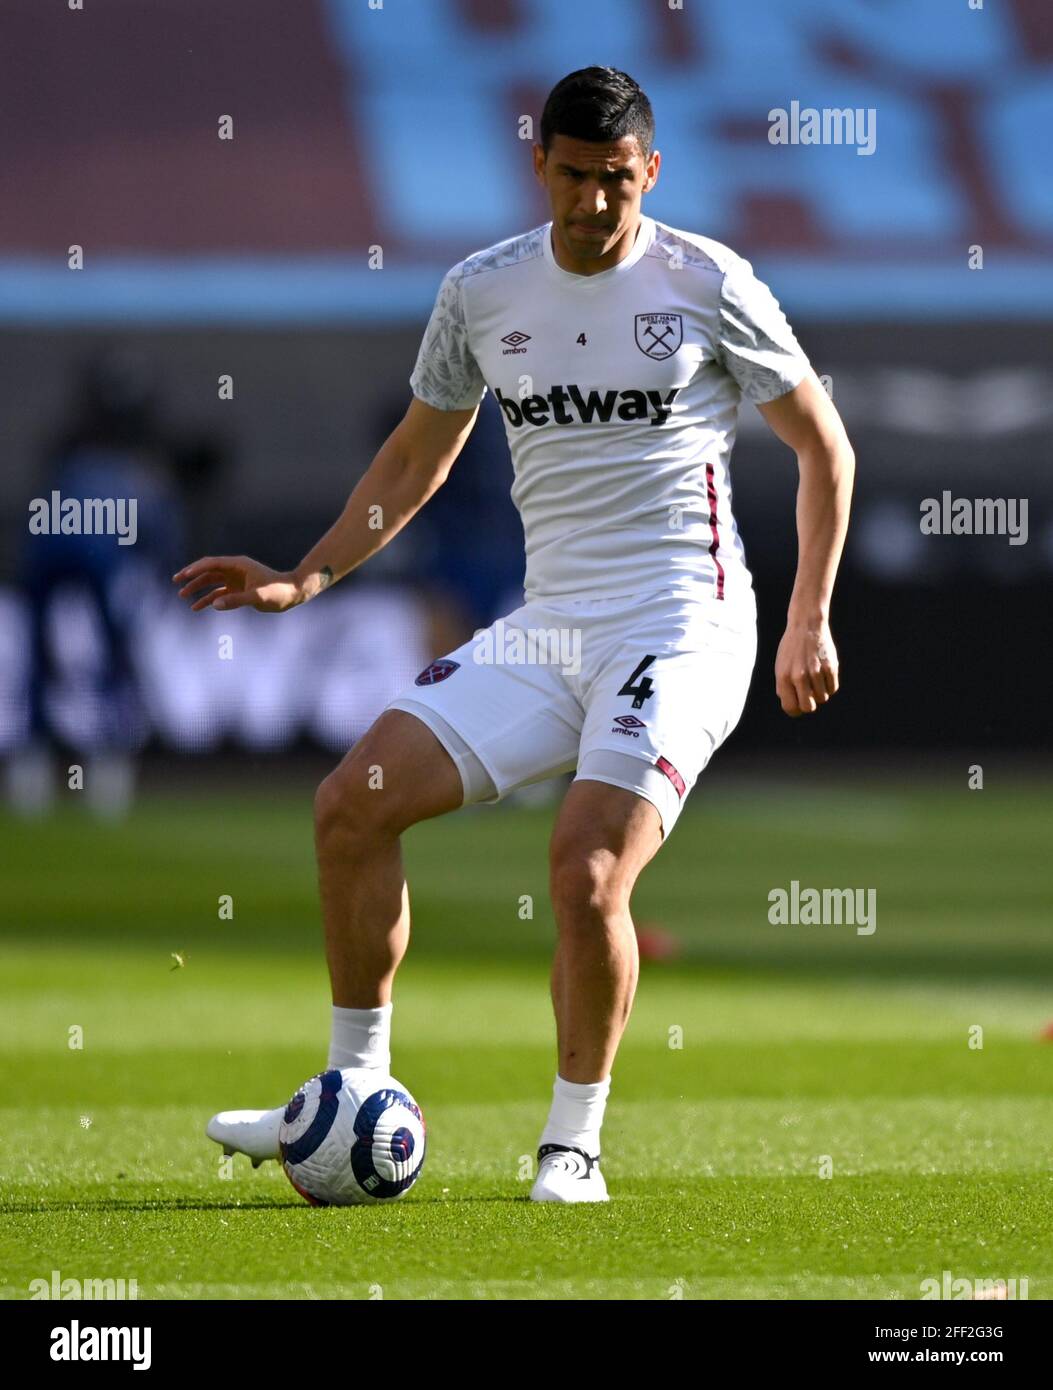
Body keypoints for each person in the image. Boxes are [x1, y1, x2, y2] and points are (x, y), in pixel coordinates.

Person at [174, 67, 854, 1202]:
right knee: (353, 801)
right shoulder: (483, 292)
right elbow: (414, 458)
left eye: (618, 182)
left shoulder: (708, 281)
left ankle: (572, 1146)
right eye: (575, 177)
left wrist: (807, 616)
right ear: (539, 163)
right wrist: (305, 577)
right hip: (551, 628)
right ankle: (352, 1094)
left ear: (653, 171)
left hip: (684, 621)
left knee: (586, 869)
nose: (594, 204)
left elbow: (823, 447)